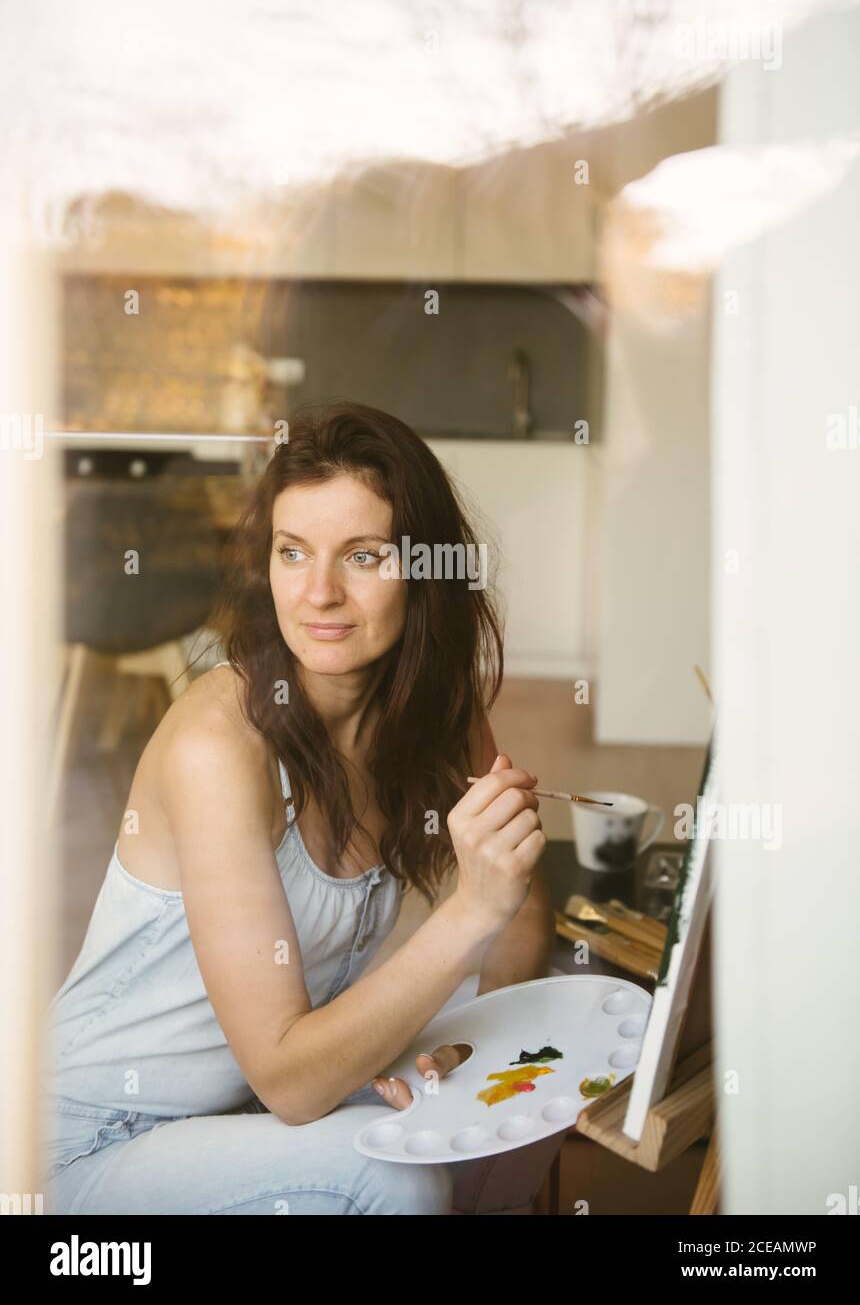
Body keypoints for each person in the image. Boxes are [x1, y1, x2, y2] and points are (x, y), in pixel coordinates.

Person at [41, 400, 562, 1215]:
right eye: (293, 552)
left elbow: (521, 913)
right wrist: (467, 912)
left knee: (523, 1100)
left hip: (243, 1118)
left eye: (362, 556)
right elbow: (289, 1081)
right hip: (92, 1146)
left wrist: (461, 1048)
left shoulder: (437, 707)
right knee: (393, 1175)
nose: (319, 593)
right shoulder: (219, 748)